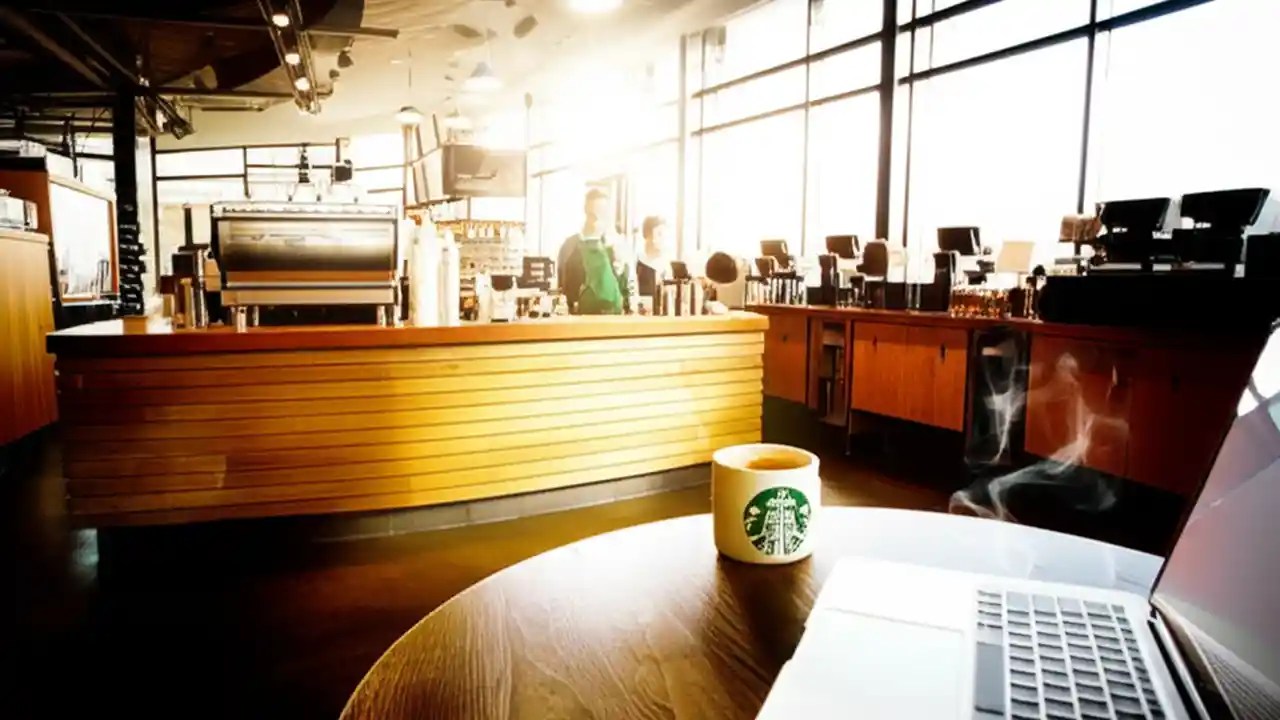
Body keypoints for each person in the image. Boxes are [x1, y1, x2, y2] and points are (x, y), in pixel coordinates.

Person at [557, 189, 631, 315]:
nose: (596, 220)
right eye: (592, 214)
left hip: (614, 320)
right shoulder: (570, 246)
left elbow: (628, 290)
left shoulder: (619, 246)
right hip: (577, 320)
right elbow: (562, 289)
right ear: (585, 212)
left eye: (602, 214)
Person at [635, 215, 671, 301]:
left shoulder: (667, 267)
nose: (663, 240)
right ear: (647, 234)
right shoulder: (636, 264)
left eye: (665, 235)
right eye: (659, 234)